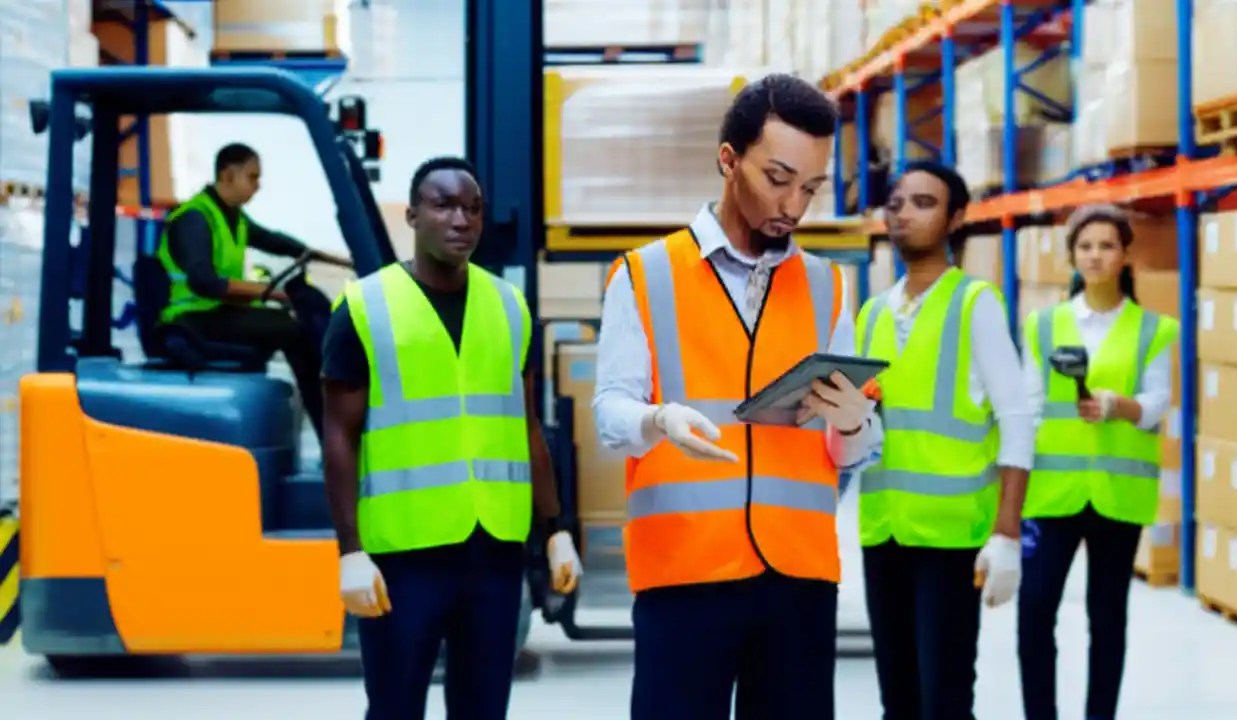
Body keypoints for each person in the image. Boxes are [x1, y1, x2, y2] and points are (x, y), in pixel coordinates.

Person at [592, 73, 883, 720]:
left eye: (809, 187)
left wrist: (858, 426)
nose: (793, 204)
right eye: (778, 179)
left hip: (799, 579)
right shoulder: (644, 275)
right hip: (684, 573)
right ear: (729, 160)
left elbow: (852, 451)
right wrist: (659, 418)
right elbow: (611, 413)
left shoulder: (828, 288)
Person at [320, 155, 584, 720]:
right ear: (413, 216)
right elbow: (338, 435)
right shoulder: (365, 307)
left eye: (472, 208)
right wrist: (349, 551)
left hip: (492, 554)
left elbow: (526, 427)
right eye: (444, 205)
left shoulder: (509, 308)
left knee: (484, 708)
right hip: (403, 557)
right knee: (394, 707)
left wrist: (556, 530)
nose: (461, 218)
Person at [853, 160, 1034, 720]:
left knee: (945, 699)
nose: (904, 213)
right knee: (898, 700)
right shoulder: (870, 314)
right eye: (898, 202)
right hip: (882, 530)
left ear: (956, 219)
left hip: (953, 537)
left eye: (924, 203)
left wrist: (1007, 532)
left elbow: (1018, 415)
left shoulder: (973, 303)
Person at [1017, 204, 1178, 720]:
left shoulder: (1154, 330)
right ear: (1071, 256)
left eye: (1107, 245)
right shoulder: (1044, 326)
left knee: (1107, 618)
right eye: (1085, 246)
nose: (1095, 255)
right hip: (1052, 493)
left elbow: (1156, 406)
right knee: (1035, 609)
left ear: (1125, 255)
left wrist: (1116, 405)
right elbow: (1030, 404)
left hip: (1117, 494)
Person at [155, 142, 351, 437]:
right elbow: (205, 283)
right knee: (293, 331)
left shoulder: (232, 217)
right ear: (227, 174)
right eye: (252, 177)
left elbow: (276, 241)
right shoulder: (195, 218)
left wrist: (331, 258)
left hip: (216, 313)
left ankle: (332, 425)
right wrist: (272, 293)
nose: (257, 186)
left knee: (297, 328)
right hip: (190, 319)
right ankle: (331, 433)